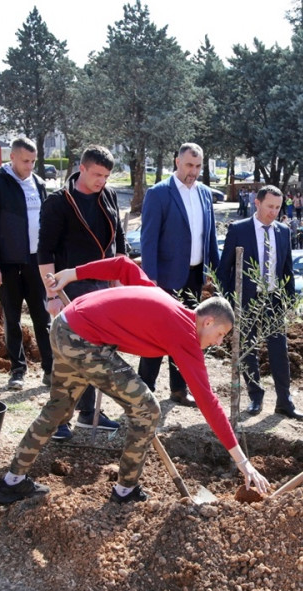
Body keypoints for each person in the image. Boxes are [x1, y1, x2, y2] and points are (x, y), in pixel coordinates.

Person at [0, 256, 270, 504]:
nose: (218, 342)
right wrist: (242, 461)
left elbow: (123, 265)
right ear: (208, 321)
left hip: (66, 325)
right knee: (147, 410)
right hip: (83, 339)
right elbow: (208, 401)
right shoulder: (185, 333)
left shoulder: (164, 300)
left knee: (58, 408)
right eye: (220, 334)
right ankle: (125, 490)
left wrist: (73, 273)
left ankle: (12, 482)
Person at [38, 145, 125, 438]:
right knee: (69, 356)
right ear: (82, 168)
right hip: (69, 288)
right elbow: (45, 252)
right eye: (97, 174)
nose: (102, 180)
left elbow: (118, 241)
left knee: (96, 353)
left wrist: (117, 280)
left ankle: (89, 413)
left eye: (106, 176)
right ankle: (59, 421)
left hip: (103, 287)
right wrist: (51, 294)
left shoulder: (109, 196)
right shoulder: (58, 203)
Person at [138, 143, 220, 407]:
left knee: (186, 335)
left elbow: (210, 236)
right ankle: (144, 391)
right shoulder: (159, 193)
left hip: (194, 278)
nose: (193, 171)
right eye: (188, 165)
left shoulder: (205, 193)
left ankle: (179, 389)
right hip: (164, 280)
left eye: (198, 166)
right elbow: (148, 239)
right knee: (157, 334)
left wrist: (213, 272)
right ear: (177, 162)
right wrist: (150, 280)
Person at [218, 185, 303, 420]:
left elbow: (287, 269)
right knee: (248, 349)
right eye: (270, 206)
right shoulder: (239, 230)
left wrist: (289, 301)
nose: (274, 212)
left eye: (278, 207)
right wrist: (229, 302)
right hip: (246, 299)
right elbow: (224, 269)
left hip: (273, 299)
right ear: (257, 203)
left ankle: (284, 401)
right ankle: (256, 396)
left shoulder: (283, 231)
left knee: (279, 350)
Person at [0, 137, 53, 390]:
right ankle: (18, 370)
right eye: (25, 161)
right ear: (12, 157)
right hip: (8, 263)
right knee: (12, 318)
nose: (29, 166)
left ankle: (50, 369)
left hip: (35, 261)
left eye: (33, 161)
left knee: (42, 316)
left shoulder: (39, 184)